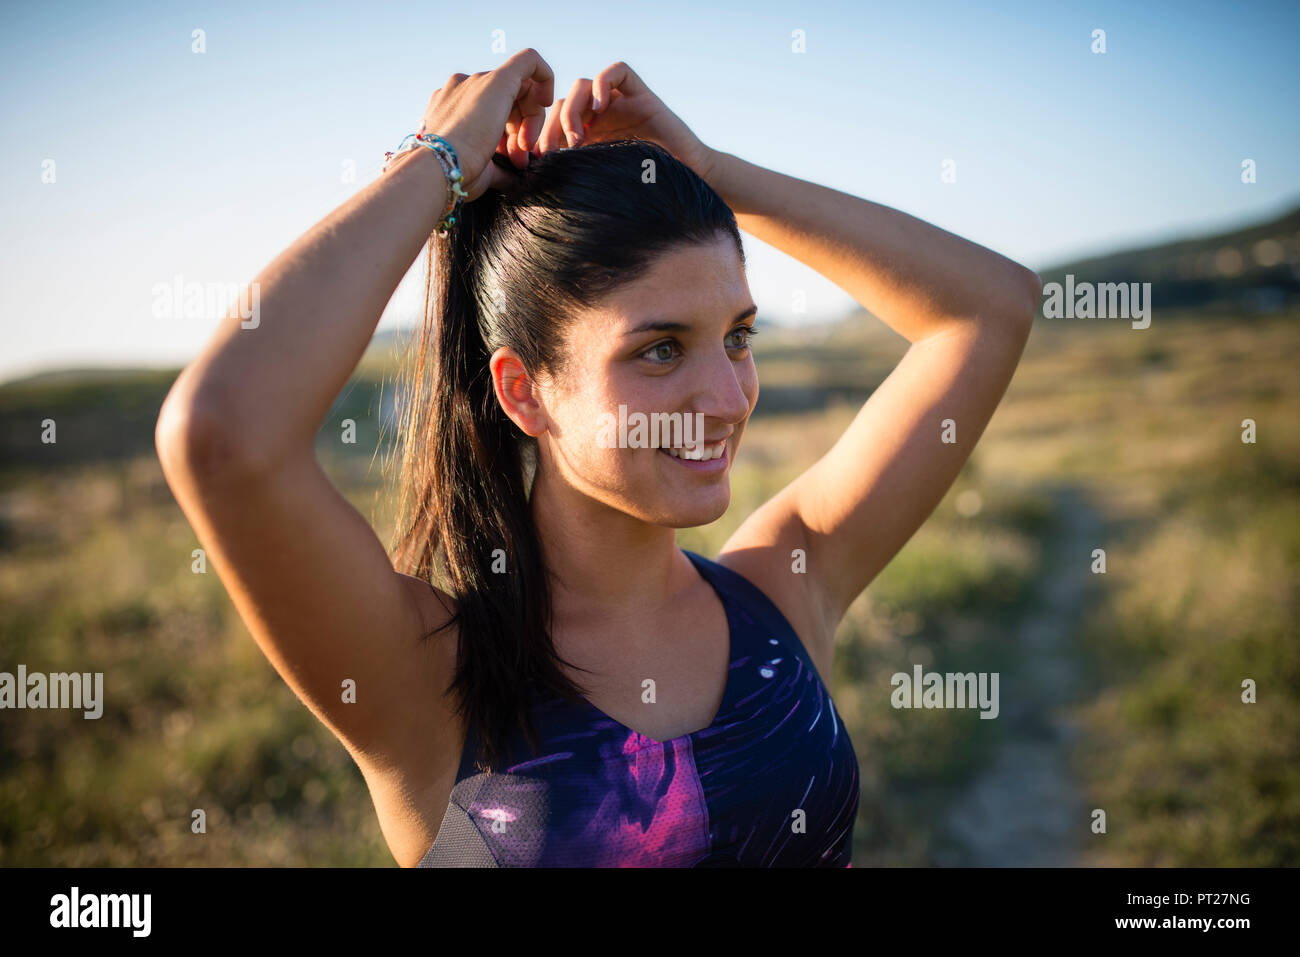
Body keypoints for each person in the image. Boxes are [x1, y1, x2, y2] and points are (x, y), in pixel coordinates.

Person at [155, 48, 1041, 867]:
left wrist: (710, 170)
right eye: (659, 349)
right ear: (524, 390)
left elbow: (991, 307)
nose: (729, 401)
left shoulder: (787, 584)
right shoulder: (426, 679)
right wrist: (435, 163)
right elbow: (222, 434)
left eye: (737, 337)